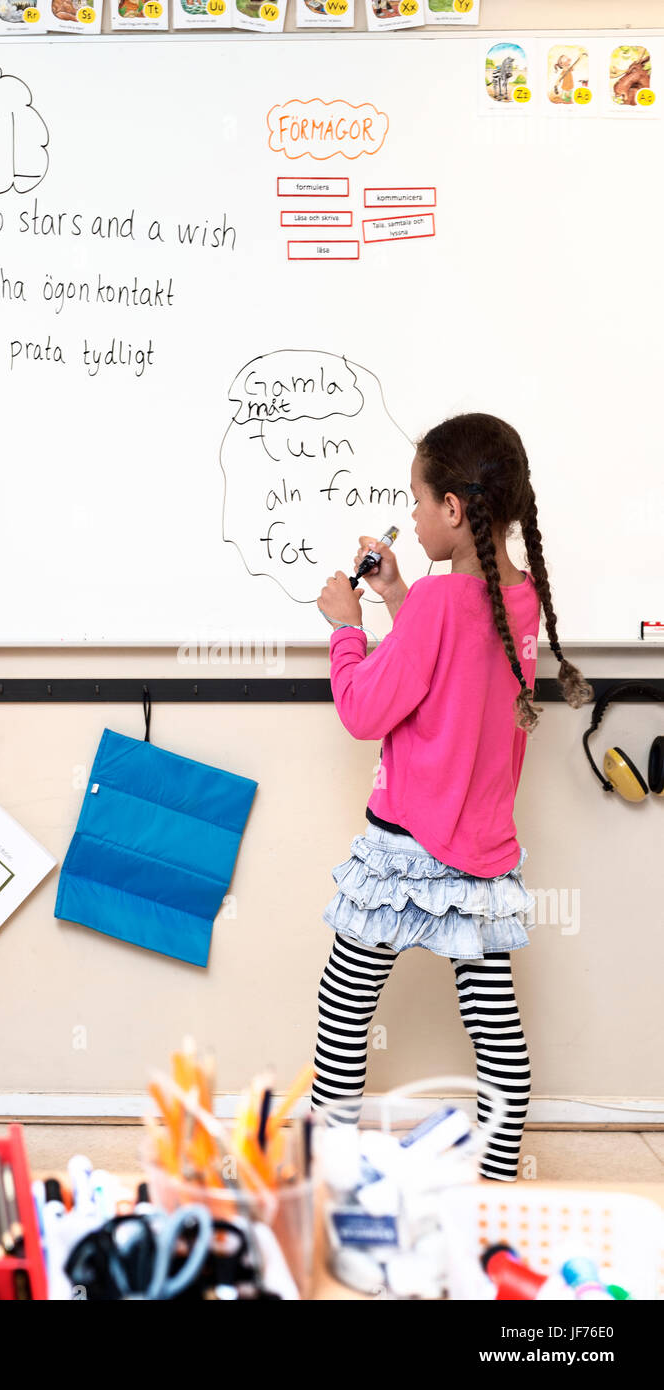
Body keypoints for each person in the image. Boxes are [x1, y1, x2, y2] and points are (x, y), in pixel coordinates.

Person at [311, 412, 593, 1181]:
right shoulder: (519, 599)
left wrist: (345, 627)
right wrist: (397, 592)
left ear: (452, 507)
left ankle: (330, 1172)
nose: (408, 515)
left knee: (342, 1014)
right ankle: (497, 1182)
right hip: (479, 852)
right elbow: (453, 657)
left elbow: (363, 710)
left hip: (403, 846)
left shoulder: (440, 606)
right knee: (495, 1032)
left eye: (415, 499)